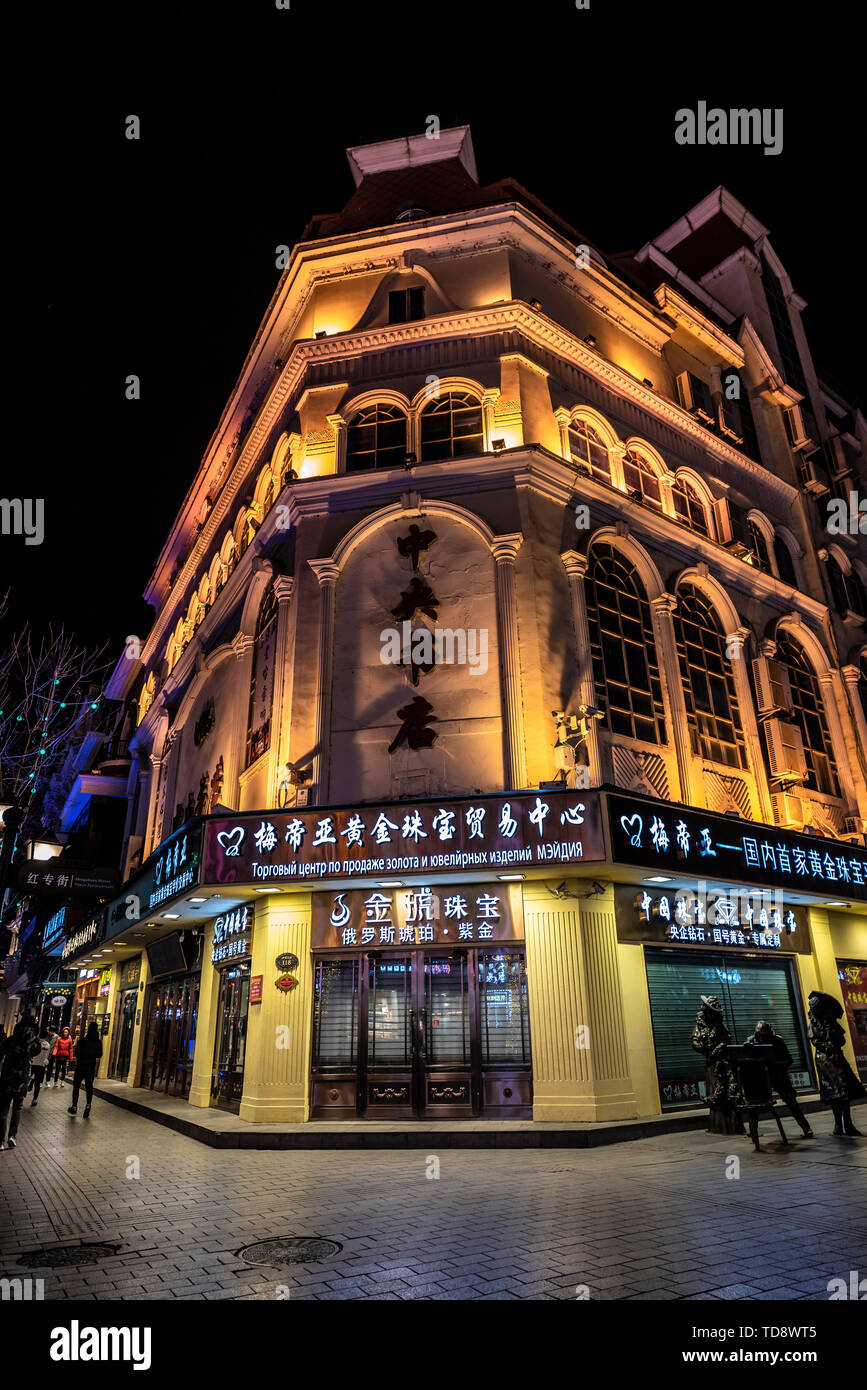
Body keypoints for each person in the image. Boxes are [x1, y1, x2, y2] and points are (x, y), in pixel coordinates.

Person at [807, 990, 865, 1136]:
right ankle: (838, 1125)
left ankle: (848, 1124)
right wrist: (828, 1047)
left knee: (844, 1092)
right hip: (824, 1062)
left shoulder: (831, 1022)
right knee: (833, 1094)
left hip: (837, 1059)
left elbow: (842, 1040)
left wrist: (831, 1031)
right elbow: (815, 1041)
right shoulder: (813, 1025)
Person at [743, 1020, 813, 1137]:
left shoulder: (777, 1041)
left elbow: (789, 1060)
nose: (761, 1039)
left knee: (791, 1102)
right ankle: (753, 1130)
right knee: (754, 1103)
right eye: (760, 1036)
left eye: (764, 1036)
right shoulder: (751, 1041)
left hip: (778, 1076)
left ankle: (806, 1128)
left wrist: (775, 1064)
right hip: (761, 1077)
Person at [691, 994, 744, 1134]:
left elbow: (727, 1040)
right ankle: (718, 1124)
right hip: (711, 1063)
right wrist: (703, 1048)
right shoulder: (700, 1025)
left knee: (727, 1091)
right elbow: (695, 1041)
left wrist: (720, 1048)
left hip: (723, 1062)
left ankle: (731, 1124)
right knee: (715, 1090)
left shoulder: (720, 1026)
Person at [0, 1016, 42, 1149]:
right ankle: (12, 1136)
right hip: (22, 1079)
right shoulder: (34, 1042)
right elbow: (37, 1051)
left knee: (4, 1109)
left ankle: (0, 1141)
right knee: (17, 1108)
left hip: (8, 1077)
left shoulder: (13, 1038)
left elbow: (1, 1051)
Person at [68, 1021, 103, 1118]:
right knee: (89, 1087)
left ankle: (74, 1106)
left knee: (76, 1086)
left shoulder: (82, 1040)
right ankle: (88, 1105)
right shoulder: (98, 1042)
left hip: (81, 1066)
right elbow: (99, 1054)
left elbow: (77, 1053)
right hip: (90, 1067)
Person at [29, 1028, 54, 1106]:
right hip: (41, 1065)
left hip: (33, 1063)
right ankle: (35, 1099)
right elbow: (47, 1055)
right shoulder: (48, 1045)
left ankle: (29, 1084)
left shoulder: (35, 1043)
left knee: (29, 1077)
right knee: (38, 1083)